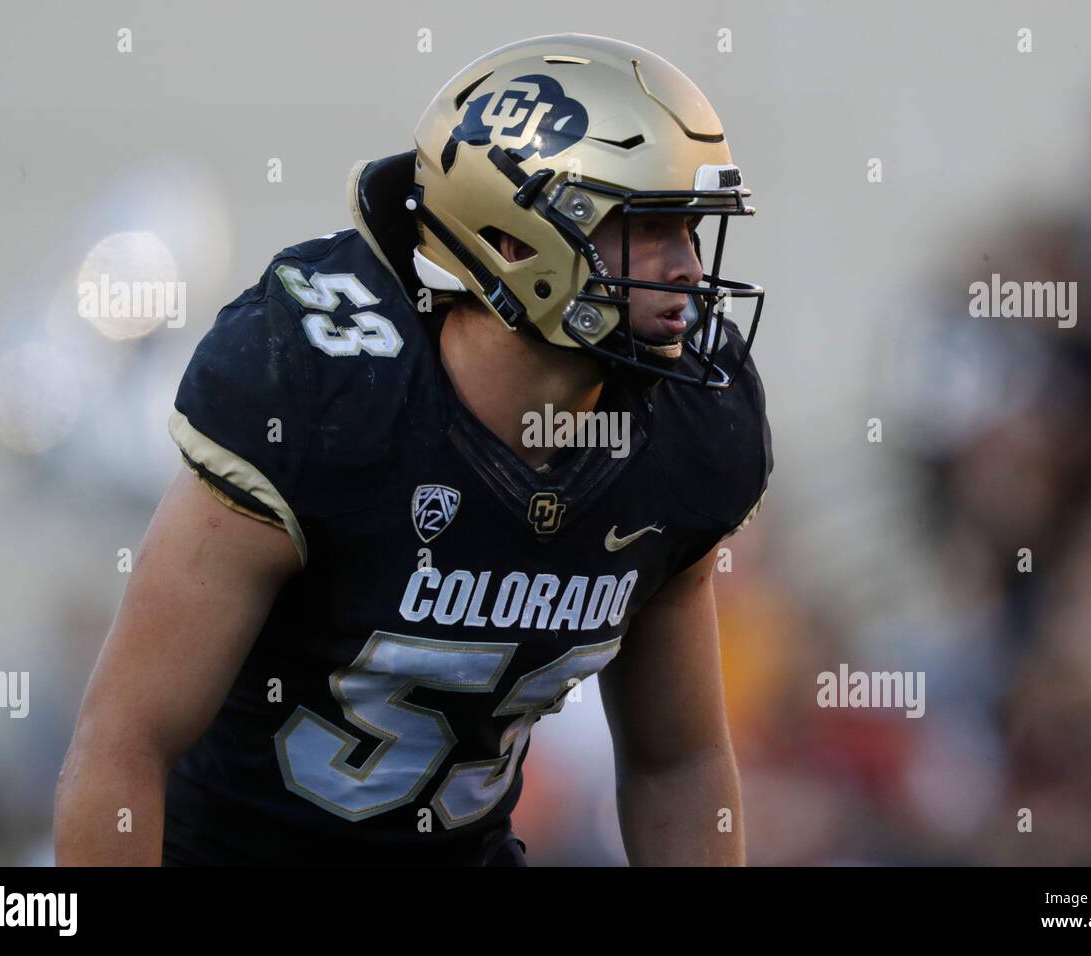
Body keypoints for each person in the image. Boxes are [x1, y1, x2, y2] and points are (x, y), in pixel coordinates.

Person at [54, 32, 772, 866]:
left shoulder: (682, 426)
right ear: (512, 241)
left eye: (689, 229)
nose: (686, 269)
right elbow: (122, 746)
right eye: (647, 227)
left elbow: (675, 762)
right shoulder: (322, 390)